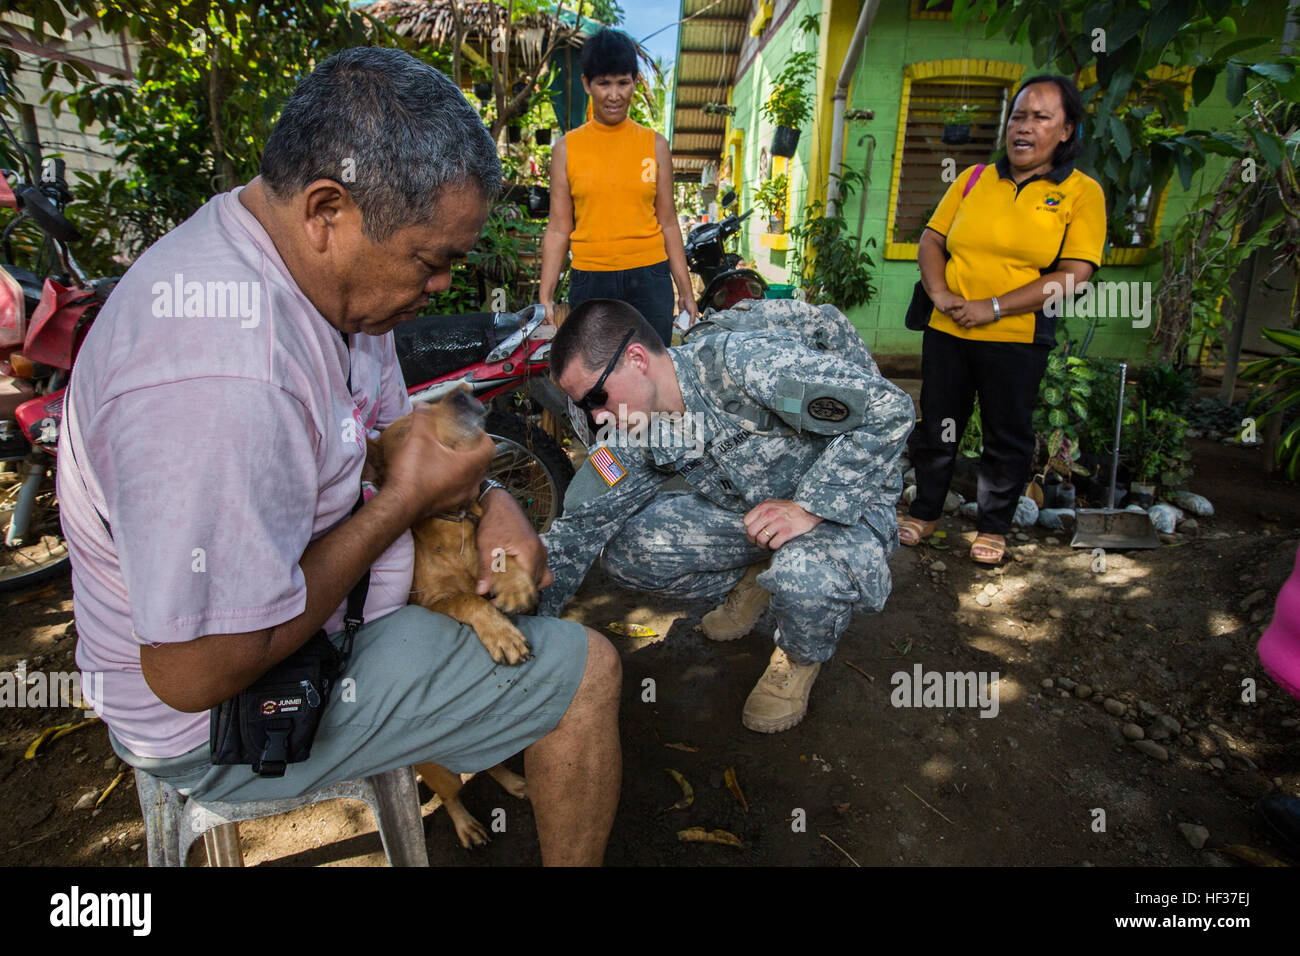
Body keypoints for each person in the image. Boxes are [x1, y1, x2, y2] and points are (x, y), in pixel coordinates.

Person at [57, 48, 620, 866]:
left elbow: (402, 440)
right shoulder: (218, 376)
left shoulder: (327, 287)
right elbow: (194, 672)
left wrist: (489, 502)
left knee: (527, 595)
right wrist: (401, 507)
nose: (437, 289)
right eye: (431, 263)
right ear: (328, 209)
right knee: (587, 672)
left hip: (336, 618)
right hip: (221, 716)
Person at [537, 297, 914, 733]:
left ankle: (798, 656)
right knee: (629, 552)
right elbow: (580, 527)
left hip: (847, 502)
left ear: (636, 359)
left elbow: (889, 410)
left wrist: (808, 507)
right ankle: (757, 573)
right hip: (758, 514)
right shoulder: (635, 425)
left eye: (596, 397)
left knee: (805, 577)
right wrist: (527, 625)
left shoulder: (747, 368)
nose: (596, 416)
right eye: (583, 408)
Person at [900, 74, 1106, 564]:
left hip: (1017, 336)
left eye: (1040, 117)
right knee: (939, 426)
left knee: (1005, 433)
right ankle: (926, 512)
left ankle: (993, 528)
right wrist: (941, 293)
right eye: (1018, 115)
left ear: (1066, 130)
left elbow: (1074, 274)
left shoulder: (1080, 192)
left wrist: (991, 307)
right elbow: (932, 239)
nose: (1024, 127)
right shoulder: (974, 179)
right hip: (948, 330)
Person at [539, 27, 697, 345]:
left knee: (651, 376)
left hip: (650, 278)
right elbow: (558, 228)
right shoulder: (566, 150)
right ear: (587, 84)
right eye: (604, 83)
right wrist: (546, 296)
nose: (614, 95)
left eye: (623, 83)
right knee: (596, 382)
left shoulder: (655, 146)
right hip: (590, 281)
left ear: (635, 83)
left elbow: (668, 222)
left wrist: (686, 293)